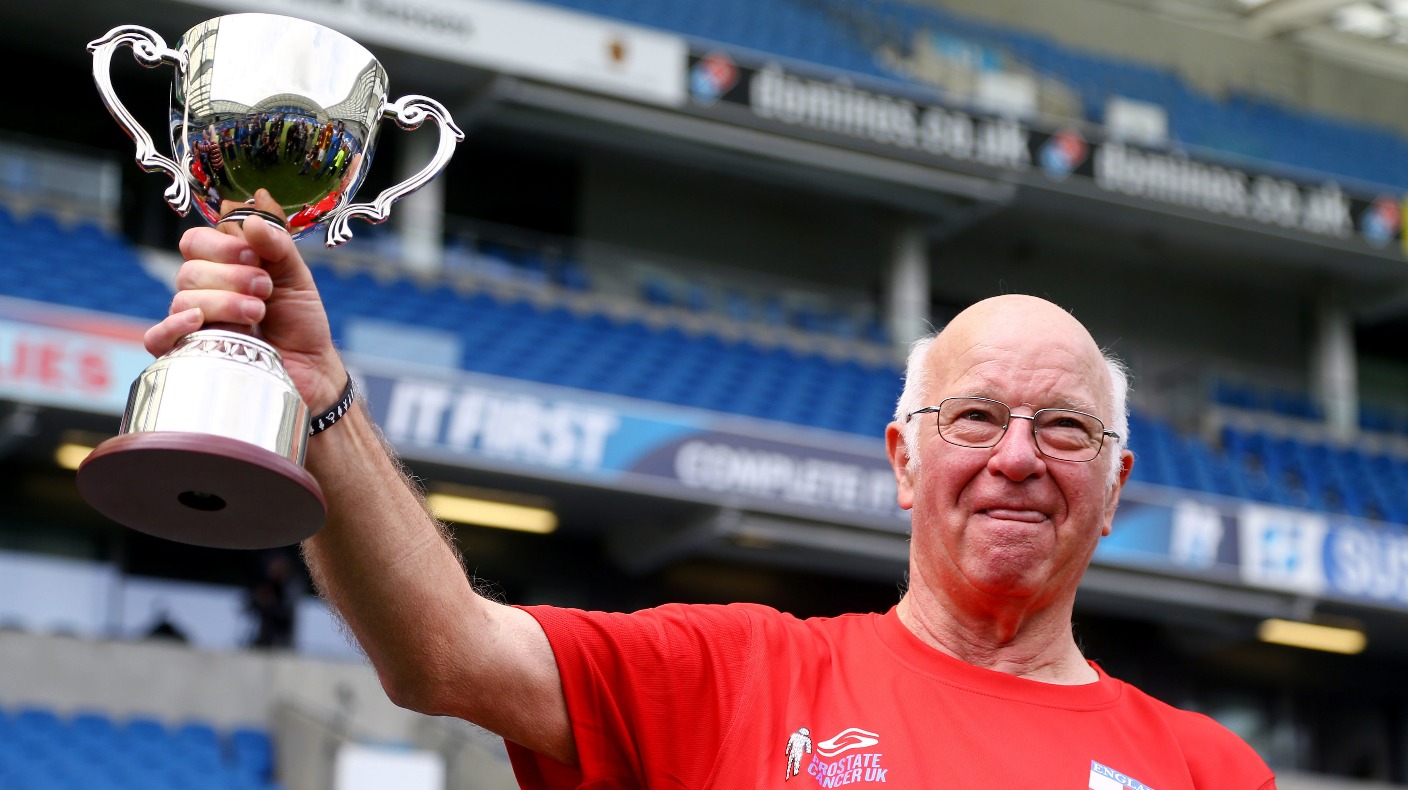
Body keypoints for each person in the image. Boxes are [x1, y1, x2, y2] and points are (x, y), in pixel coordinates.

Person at [147, 192, 1276, 789]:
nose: (1018, 457)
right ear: (902, 459)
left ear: (1115, 481)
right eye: (974, 416)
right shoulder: (737, 676)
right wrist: (319, 396)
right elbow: (443, 652)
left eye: (1066, 427)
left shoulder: (1208, 770)